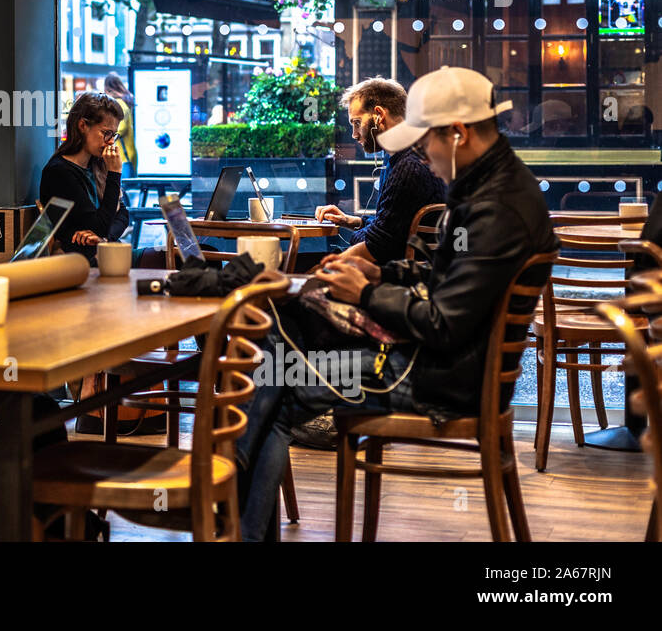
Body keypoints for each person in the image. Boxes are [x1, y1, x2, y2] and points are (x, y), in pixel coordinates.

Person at [235, 67, 559, 540]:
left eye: (424, 140)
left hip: (439, 378)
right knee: (277, 358)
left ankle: (224, 499)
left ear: (457, 133)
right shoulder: (500, 188)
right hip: (452, 366)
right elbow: (446, 279)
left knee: (274, 375)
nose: (423, 155)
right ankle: (228, 496)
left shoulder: (493, 207)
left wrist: (365, 293)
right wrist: (379, 272)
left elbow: (444, 323)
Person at [314, 78, 445, 266]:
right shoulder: (403, 156)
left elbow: (378, 244)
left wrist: (322, 268)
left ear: (378, 116)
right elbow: (394, 223)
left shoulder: (409, 167)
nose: (354, 134)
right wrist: (350, 221)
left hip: (399, 276)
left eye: (357, 123)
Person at [39, 91, 130, 265]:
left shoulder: (97, 164)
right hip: (83, 261)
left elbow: (124, 215)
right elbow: (98, 226)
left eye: (114, 135)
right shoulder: (59, 172)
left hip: (105, 252)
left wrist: (104, 240)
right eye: (106, 133)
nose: (111, 142)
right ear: (82, 126)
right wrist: (115, 173)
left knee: (162, 257)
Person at [104, 72, 137, 178]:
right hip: (126, 156)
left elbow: (120, 129)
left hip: (122, 158)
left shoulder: (118, 104)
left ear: (109, 88)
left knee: (120, 191)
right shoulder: (123, 102)